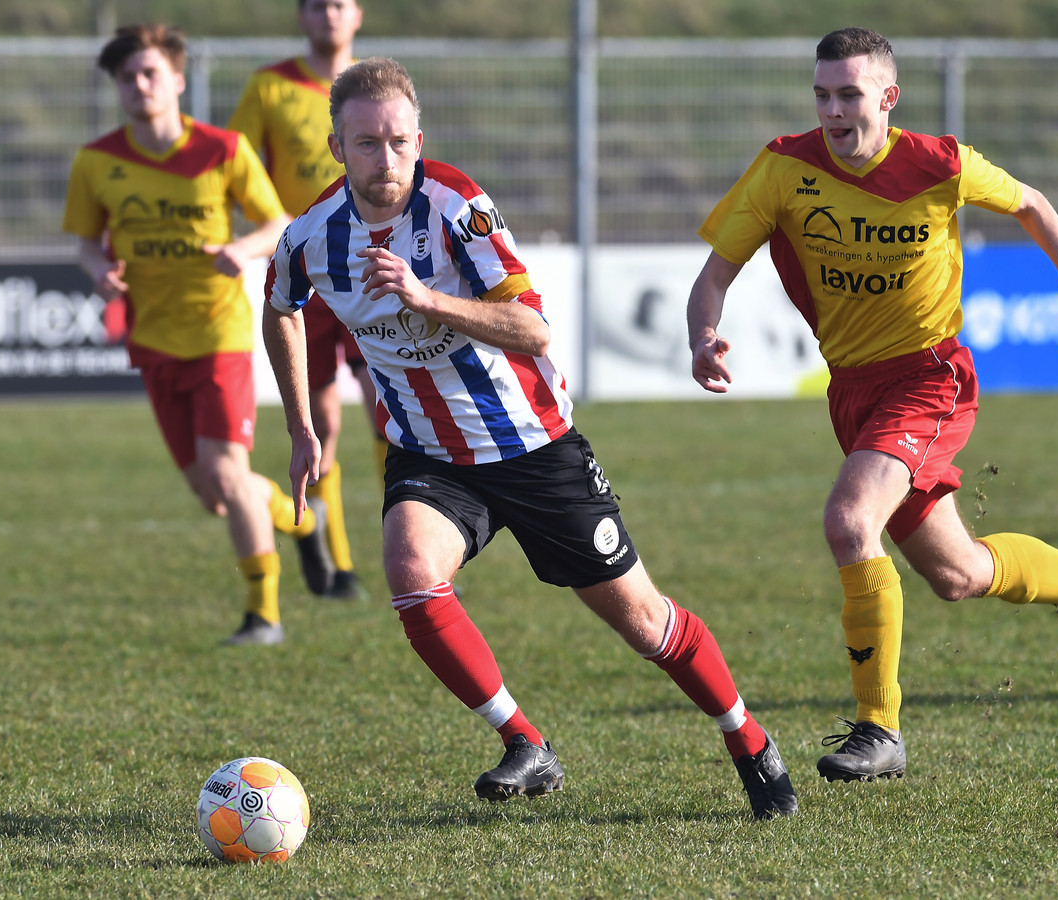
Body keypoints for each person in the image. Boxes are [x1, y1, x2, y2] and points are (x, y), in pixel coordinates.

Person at [262, 57, 798, 820]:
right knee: (410, 570)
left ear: (419, 141)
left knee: (644, 622)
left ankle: (746, 736)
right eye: (367, 143)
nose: (386, 158)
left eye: (399, 141)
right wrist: (300, 426)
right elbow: (279, 306)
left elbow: (534, 330)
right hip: (430, 454)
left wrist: (426, 298)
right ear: (336, 147)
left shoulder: (458, 207)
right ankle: (523, 742)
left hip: (533, 445)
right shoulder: (312, 235)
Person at [687, 26, 1058, 784]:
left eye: (850, 94)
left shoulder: (940, 164)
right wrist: (704, 336)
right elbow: (714, 275)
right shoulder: (783, 168)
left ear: (888, 98)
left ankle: (880, 729)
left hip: (929, 378)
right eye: (822, 95)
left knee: (849, 522)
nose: (833, 111)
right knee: (957, 573)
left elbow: (1031, 203)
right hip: (852, 391)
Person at [63, 23, 323, 646]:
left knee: (226, 472)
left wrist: (241, 250)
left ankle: (263, 616)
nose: (139, 85)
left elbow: (277, 223)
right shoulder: (97, 162)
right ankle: (301, 521)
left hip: (219, 333)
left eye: (150, 73)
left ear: (178, 81)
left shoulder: (222, 149)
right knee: (214, 492)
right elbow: (86, 244)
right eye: (127, 77)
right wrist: (99, 272)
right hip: (154, 338)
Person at [227, 0, 378, 601]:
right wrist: (273, 228)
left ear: (358, 14)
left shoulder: (377, 85)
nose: (328, 15)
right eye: (316, 5)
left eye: (339, 4)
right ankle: (336, 563)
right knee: (324, 421)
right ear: (302, 17)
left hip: (372, 268)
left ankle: (420, 549)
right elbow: (232, 165)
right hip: (308, 274)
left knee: (390, 410)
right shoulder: (270, 88)